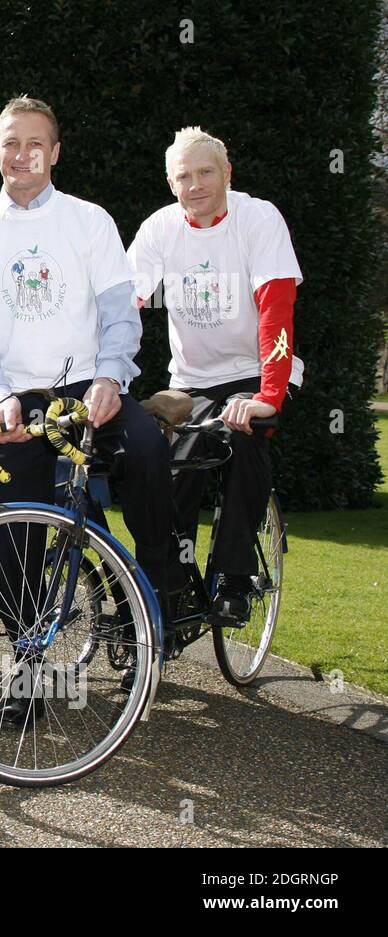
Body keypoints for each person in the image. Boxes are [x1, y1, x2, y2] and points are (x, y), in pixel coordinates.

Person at [0, 96, 181, 715]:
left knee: (150, 451)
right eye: (9, 143)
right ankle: (28, 666)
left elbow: (119, 316)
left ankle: (154, 603)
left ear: (54, 152)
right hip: (16, 399)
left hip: (90, 390)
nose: (21, 155)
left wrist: (109, 378)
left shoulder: (90, 221)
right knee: (11, 526)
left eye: (34, 144)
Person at [128, 126, 303, 623]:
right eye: (185, 175)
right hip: (190, 379)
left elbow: (276, 307)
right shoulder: (161, 228)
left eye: (207, 172)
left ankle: (236, 576)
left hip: (256, 369)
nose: (196, 183)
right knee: (164, 462)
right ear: (170, 182)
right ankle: (168, 585)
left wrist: (269, 393)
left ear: (227, 173)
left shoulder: (258, 218)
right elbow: (124, 305)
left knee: (243, 437)